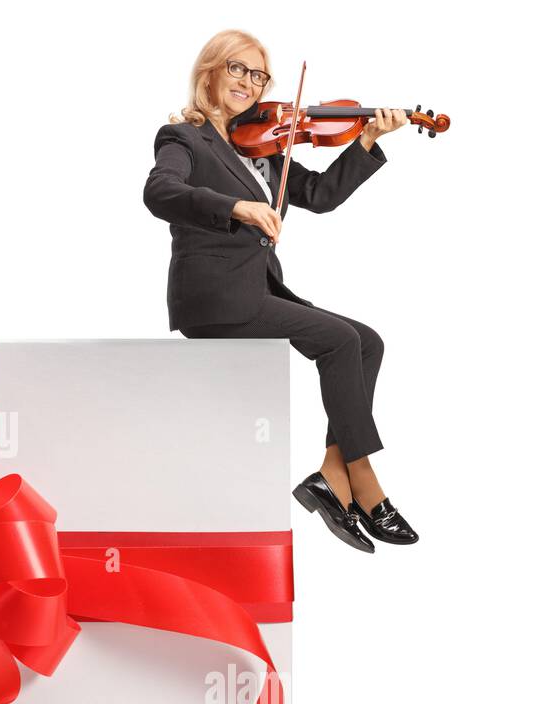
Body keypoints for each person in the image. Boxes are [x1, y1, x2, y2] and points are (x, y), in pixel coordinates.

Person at [143, 28, 419, 552]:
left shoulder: (263, 146)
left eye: (260, 74)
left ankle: (331, 478)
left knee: (367, 341)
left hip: (255, 290)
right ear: (210, 72)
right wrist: (235, 207)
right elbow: (160, 191)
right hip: (212, 297)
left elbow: (317, 195)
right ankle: (364, 485)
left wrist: (365, 142)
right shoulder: (183, 138)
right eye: (237, 69)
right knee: (338, 341)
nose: (250, 83)